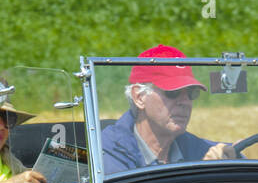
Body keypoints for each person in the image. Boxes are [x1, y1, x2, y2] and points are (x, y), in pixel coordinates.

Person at [101, 45, 237, 174]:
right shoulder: (107, 152)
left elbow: (218, 151)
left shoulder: (193, 147)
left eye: (191, 93)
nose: (185, 102)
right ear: (139, 97)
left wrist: (233, 155)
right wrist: (202, 175)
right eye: (172, 92)